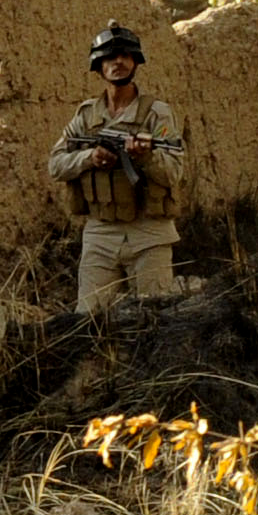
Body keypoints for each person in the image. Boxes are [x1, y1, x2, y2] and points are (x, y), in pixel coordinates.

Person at [47, 24, 186, 314]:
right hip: (101, 232)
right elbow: (56, 165)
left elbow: (174, 172)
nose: (118, 62)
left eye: (124, 55)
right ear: (98, 67)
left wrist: (145, 158)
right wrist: (90, 158)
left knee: (156, 321)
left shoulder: (157, 114)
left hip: (150, 232)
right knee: (87, 321)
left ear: (135, 61)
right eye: (109, 58)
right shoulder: (86, 116)